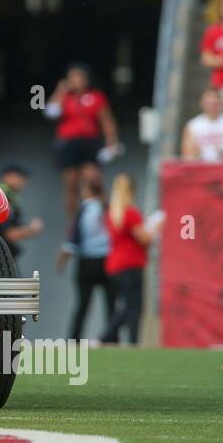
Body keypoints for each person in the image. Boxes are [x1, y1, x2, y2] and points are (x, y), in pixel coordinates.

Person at [45, 65, 119, 220]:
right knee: (71, 184)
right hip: (68, 144)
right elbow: (51, 113)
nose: (76, 81)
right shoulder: (64, 97)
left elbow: (106, 119)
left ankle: (103, 218)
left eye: (79, 77)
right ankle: (73, 224)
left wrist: (111, 140)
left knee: (93, 179)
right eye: (72, 77)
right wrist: (60, 91)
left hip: (89, 143)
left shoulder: (96, 97)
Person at [58, 176, 113, 341]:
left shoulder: (84, 209)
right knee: (110, 303)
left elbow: (74, 238)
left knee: (83, 304)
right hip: (107, 260)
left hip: (87, 261)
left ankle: (74, 338)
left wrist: (62, 259)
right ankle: (111, 338)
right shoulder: (107, 207)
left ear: (87, 191)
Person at [100, 173, 151, 345]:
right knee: (133, 307)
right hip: (131, 264)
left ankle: (113, 338)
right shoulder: (130, 213)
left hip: (115, 265)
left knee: (128, 306)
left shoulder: (112, 214)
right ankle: (111, 338)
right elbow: (144, 238)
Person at [0, 163, 44, 266]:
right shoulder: (1, 197)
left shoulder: (10, 197)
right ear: (8, 176)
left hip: (1, 257)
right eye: (21, 177)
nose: (24, 181)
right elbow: (10, 234)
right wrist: (32, 229)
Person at [182, 88, 223, 161]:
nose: (212, 108)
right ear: (202, 104)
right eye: (208, 104)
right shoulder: (193, 125)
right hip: (201, 166)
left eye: (215, 104)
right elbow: (188, 153)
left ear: (221, 104)